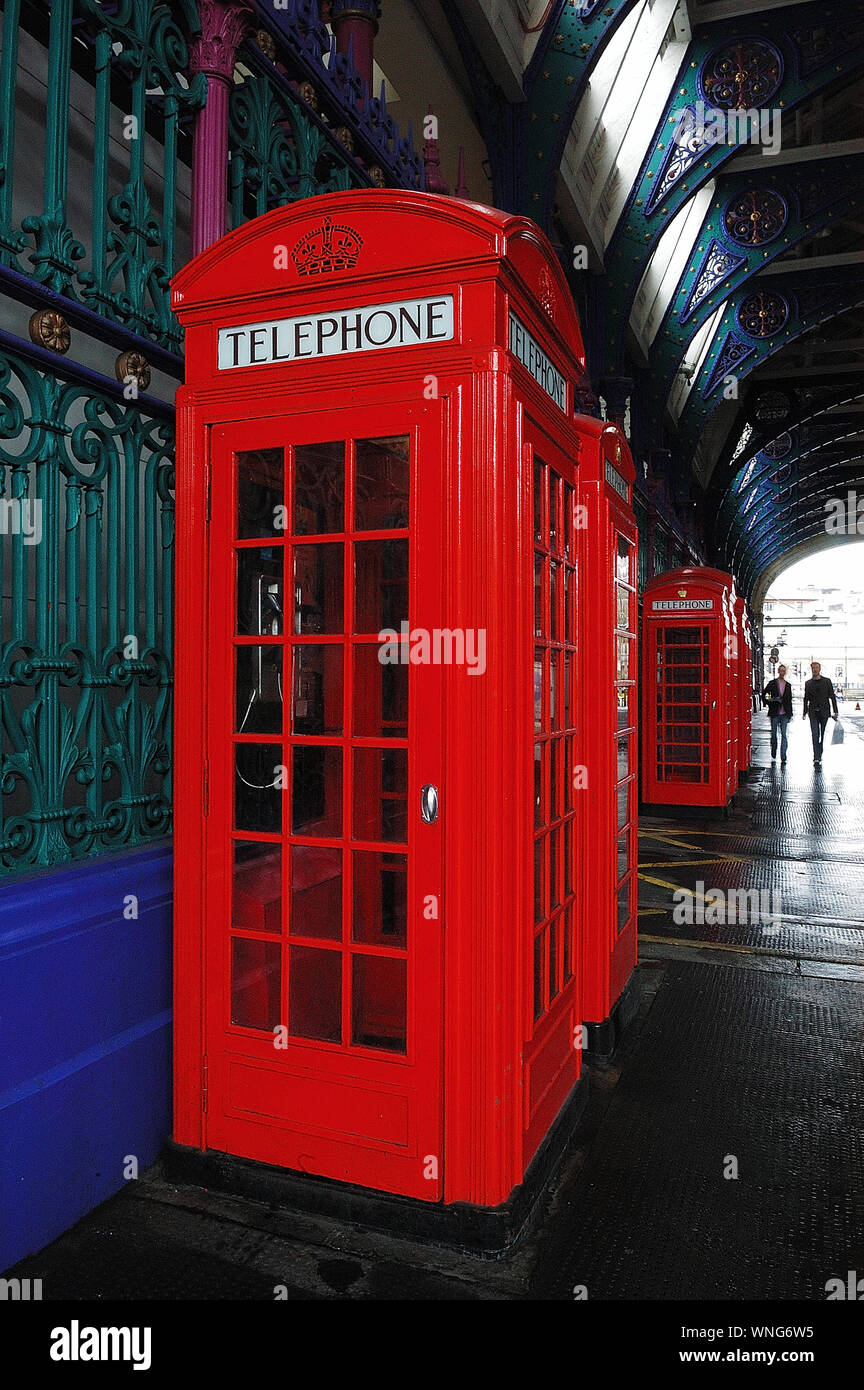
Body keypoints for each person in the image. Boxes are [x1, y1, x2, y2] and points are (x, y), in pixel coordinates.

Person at [802, 661, 839, 766]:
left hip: (824, 712)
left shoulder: (827, 681)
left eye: (817, 668)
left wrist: (835, 711)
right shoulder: (808, 683)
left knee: (822, 734)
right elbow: (806, 699)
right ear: (811, 669)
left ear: (820, 669)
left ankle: (820, 752)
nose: (815, 669)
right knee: (815, 734)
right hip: (813, 712)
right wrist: (804, 712)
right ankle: (816, 757)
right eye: (813, 668)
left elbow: (832, 696)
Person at [762, 664, 792, 764]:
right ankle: (773, 752)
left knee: (784, 735)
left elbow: (789, 700)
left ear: (785, 672)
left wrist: (790, 714)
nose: (782, 672)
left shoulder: (788, 685)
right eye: (781, 670)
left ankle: (783, 756)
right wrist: (769, 703)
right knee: (774, 735)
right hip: (774, 712)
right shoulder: (772, 683)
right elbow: (764, 694)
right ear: (778, 671)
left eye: (784, 671)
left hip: (784, 714)